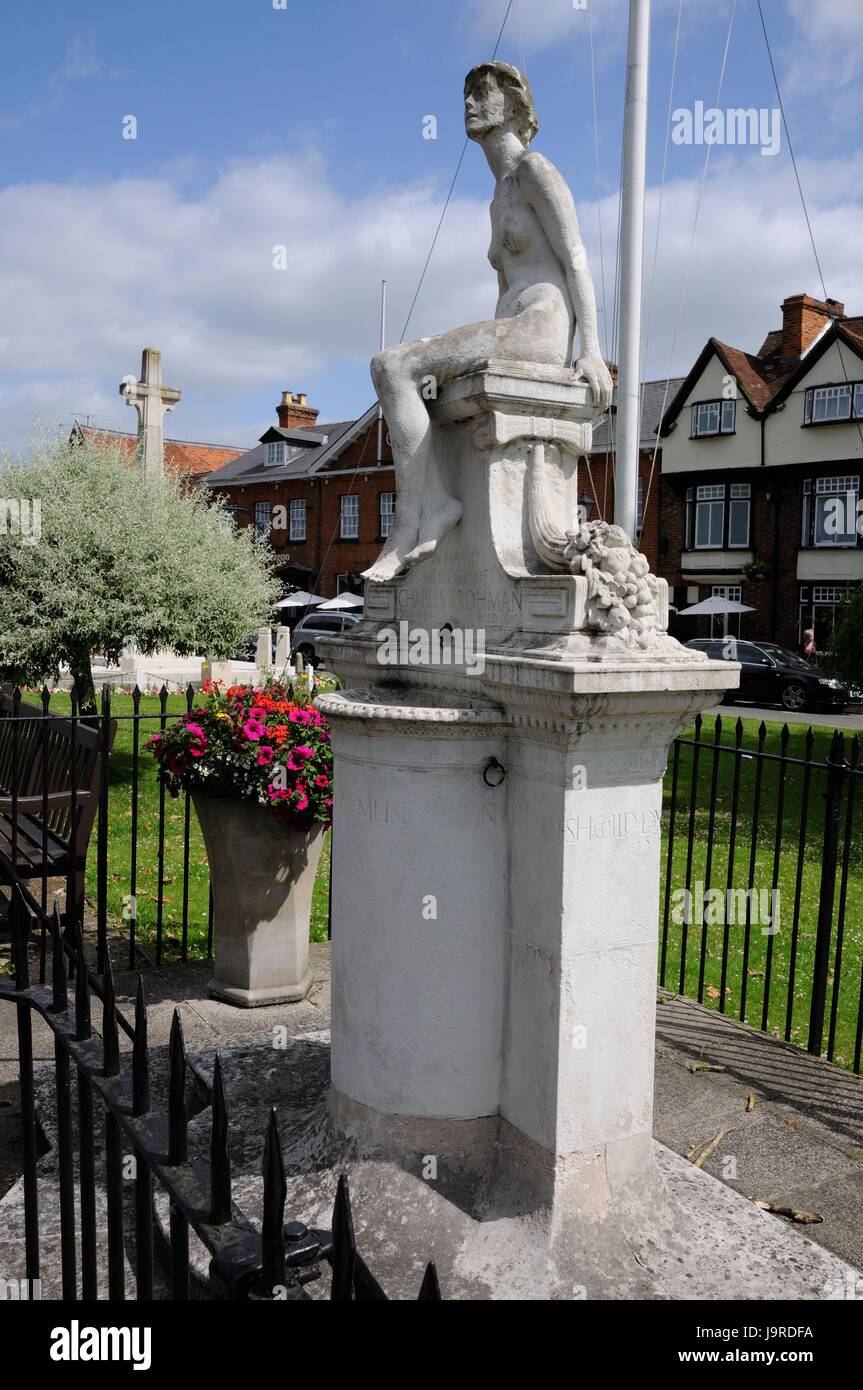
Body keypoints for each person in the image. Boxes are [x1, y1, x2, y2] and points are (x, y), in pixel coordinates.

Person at [363, 60, 613, 583]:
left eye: (483, 92)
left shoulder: (534, 171)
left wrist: (589, 347)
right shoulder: (498, 198)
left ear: (516, 105)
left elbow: (576, 258)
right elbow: (504, 289)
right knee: (411, 380)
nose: (470, 104)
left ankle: (415, 519)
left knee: (392, 366)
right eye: (467, 95)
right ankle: (432, 505)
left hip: (541, 327)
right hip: (510, 327)